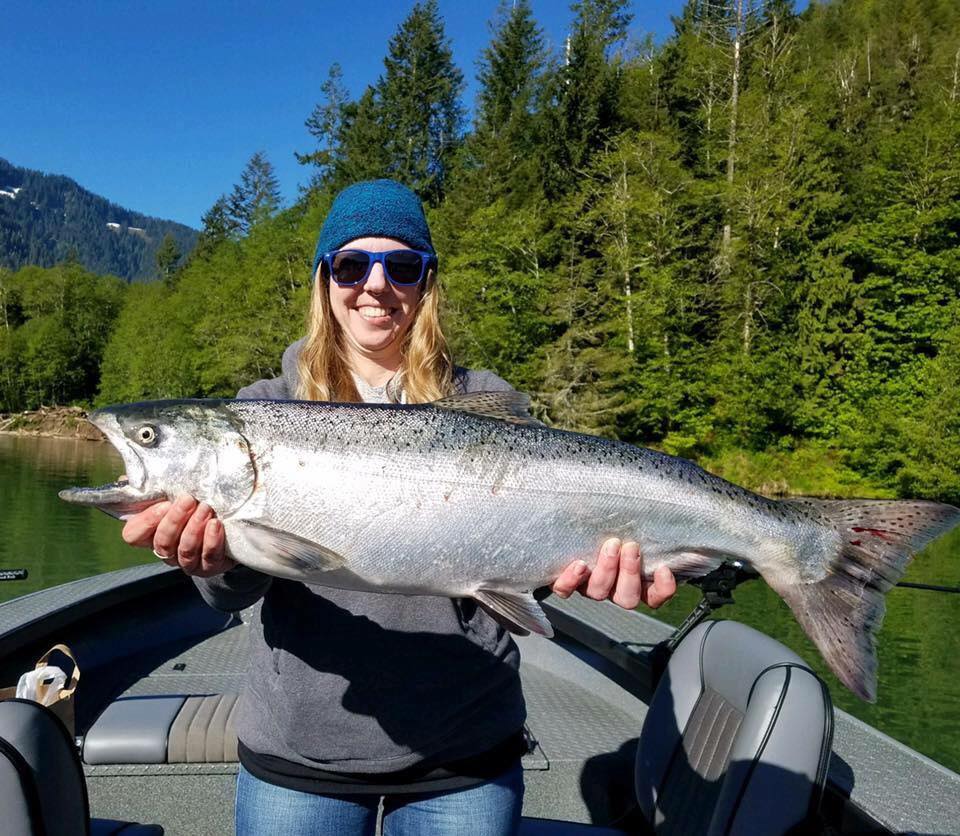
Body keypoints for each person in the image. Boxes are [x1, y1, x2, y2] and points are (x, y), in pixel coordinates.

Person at [120, 179, 677, 835]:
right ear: (326, 281)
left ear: (425, 284)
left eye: (402, 266)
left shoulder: (486, 400)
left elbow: (524, 559)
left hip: (464, 755)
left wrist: (574, 573)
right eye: (353, 265)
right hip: (299, 754)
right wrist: (211, 561)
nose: (376, 287)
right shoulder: (262, 407)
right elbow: (227, 596)